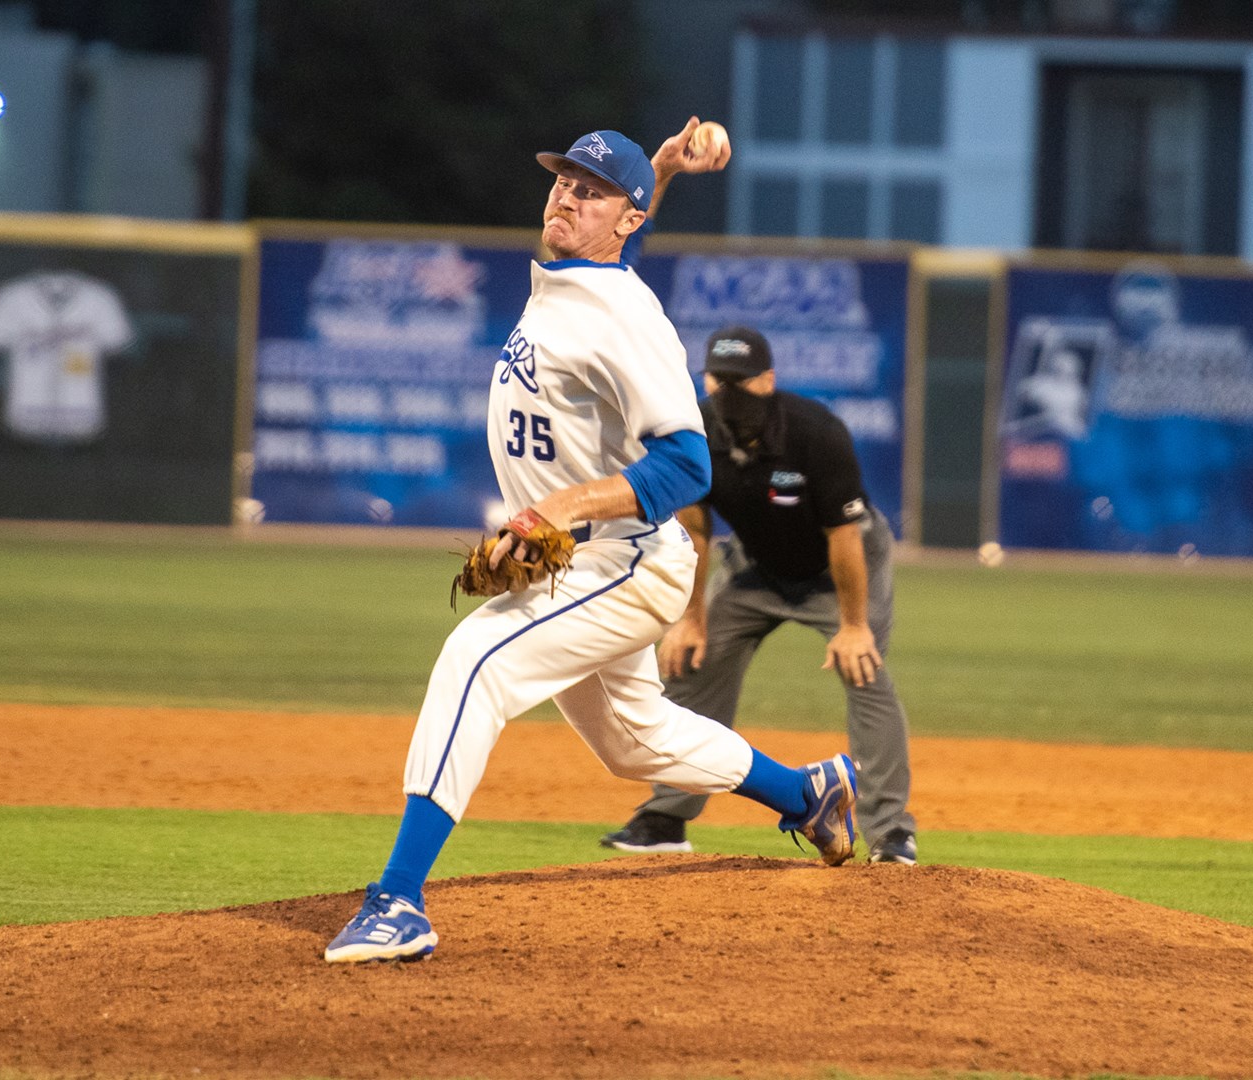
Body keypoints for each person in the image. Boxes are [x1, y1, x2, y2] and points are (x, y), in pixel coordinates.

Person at [325, 120, 862, 964]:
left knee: (476, 663)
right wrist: (657, 168)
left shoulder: (621, 317)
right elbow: (618, 250)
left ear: (628, 218)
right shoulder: (579, 282)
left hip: (627, 561)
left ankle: (399, 901)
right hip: (579, 558)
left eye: (591, 190)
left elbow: (688, 467)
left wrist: (560, 511)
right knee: (633, 739)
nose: (567, 196)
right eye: (565, 181)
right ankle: (811, 793)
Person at [598, 325, 919, 865]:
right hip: (756, 571)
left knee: (863, 669)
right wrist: (691, 618)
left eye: (741, 381)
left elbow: (845, 536)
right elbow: (694, 528)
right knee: (692, 661)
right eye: (718, 379)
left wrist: (854, 625)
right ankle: (666, 817)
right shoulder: (694, 430)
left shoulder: (816, 433)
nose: (727, 391)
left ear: (768, 380)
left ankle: (890, 834)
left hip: (836, 568)